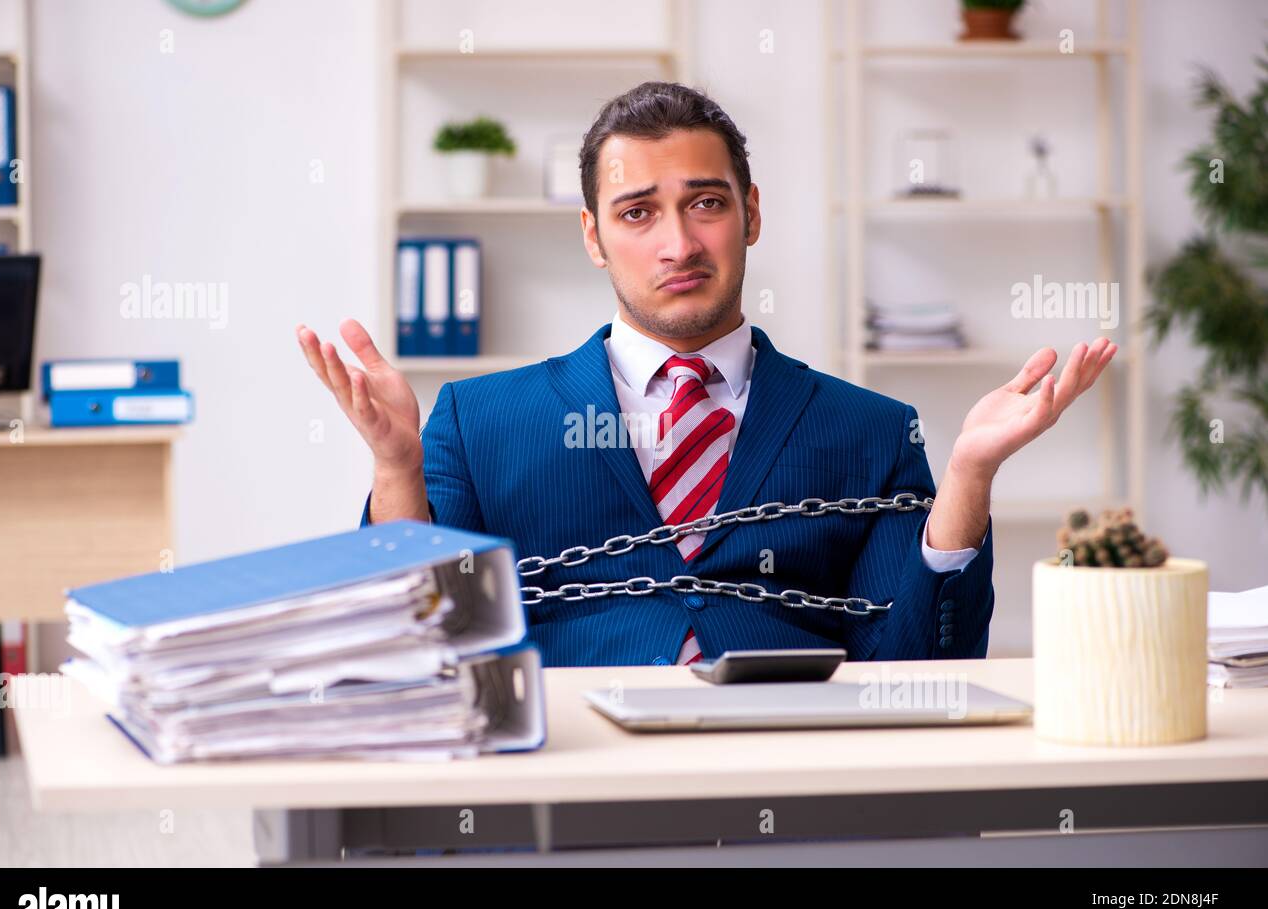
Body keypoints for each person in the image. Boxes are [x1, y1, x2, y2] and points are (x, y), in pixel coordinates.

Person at [296, 81, 1115, 667]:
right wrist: (397, 469)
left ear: (750, 212)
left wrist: (969, 475)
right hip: (566, 796)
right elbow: (418, 652)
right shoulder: (479, 421)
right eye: (637, 211)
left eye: (706, 203)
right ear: (593, 236)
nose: (679, 244)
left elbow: (915, 664)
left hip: (792, 797)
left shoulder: (870, 431)